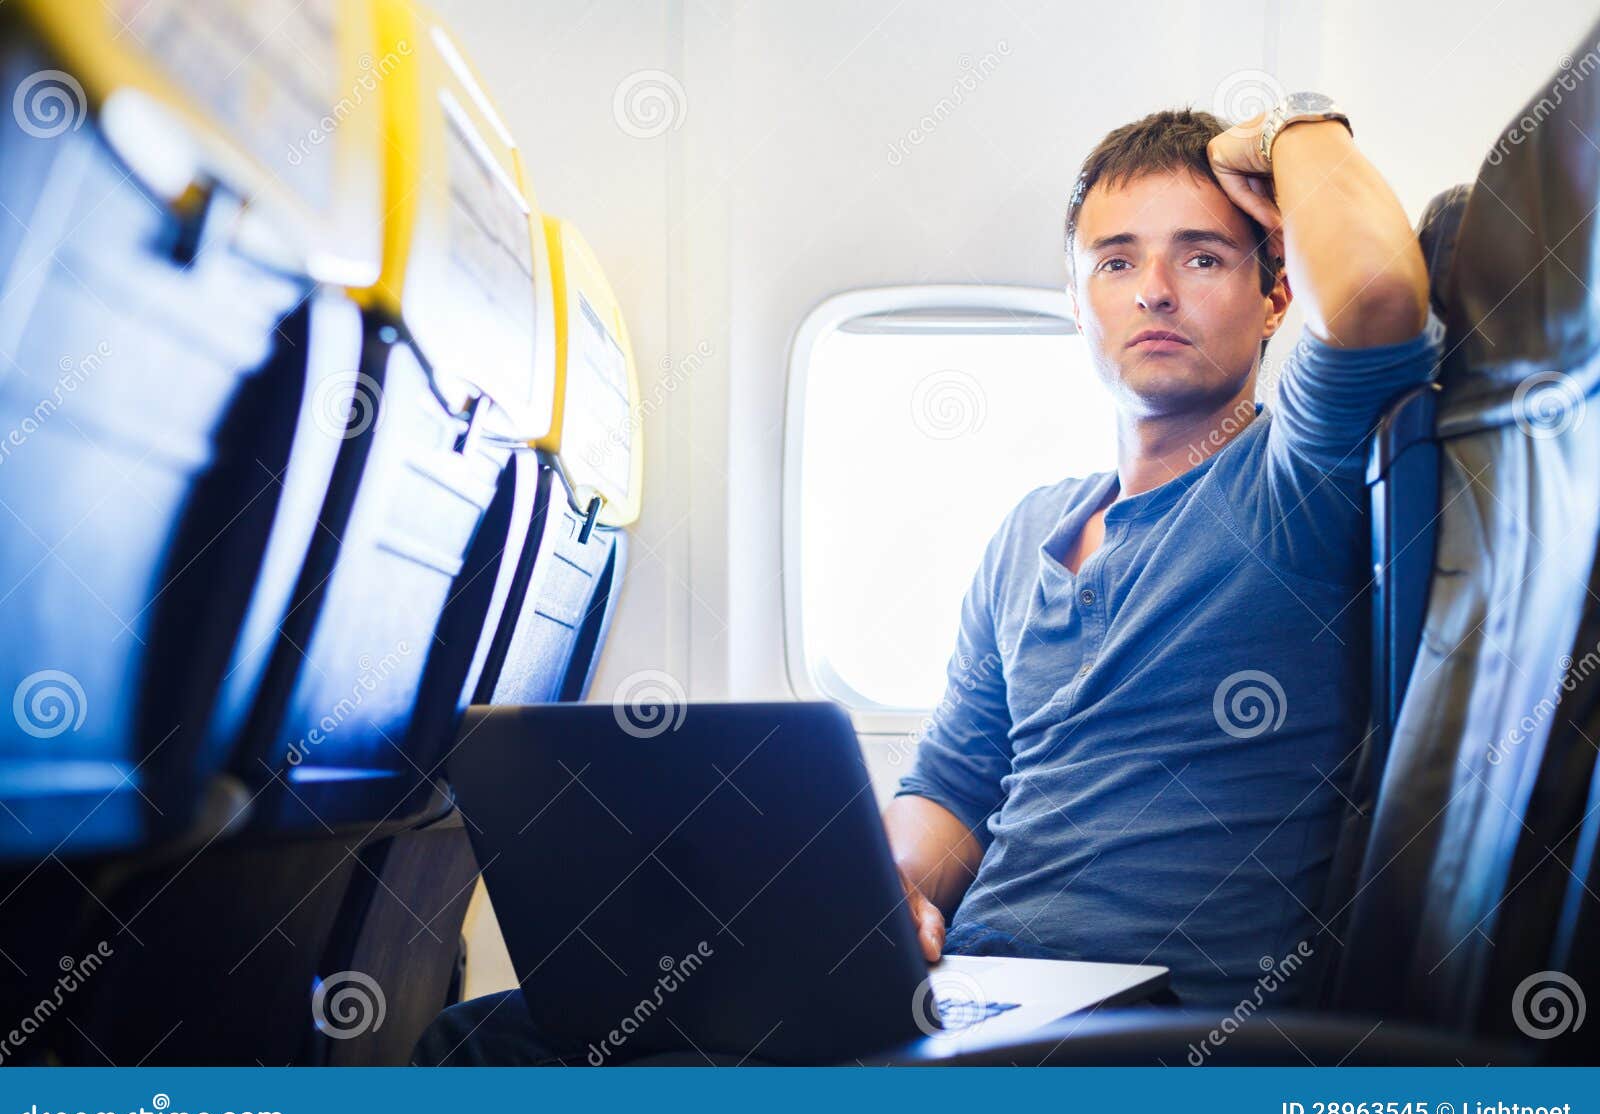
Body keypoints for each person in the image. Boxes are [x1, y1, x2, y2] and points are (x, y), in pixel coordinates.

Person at [413, 97, 1441, 1064]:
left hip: (1162, 1026)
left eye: (1202, 255)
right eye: (1115, 260)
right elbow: (953, 788)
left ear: (1273, 295)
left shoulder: (1298, 476)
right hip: (979, 994)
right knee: (492, 1034)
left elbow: (1379, 291)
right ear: (1076, 302)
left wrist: (1287, 124)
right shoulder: (1028, 532)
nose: (1153, 290)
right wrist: (884, 898)